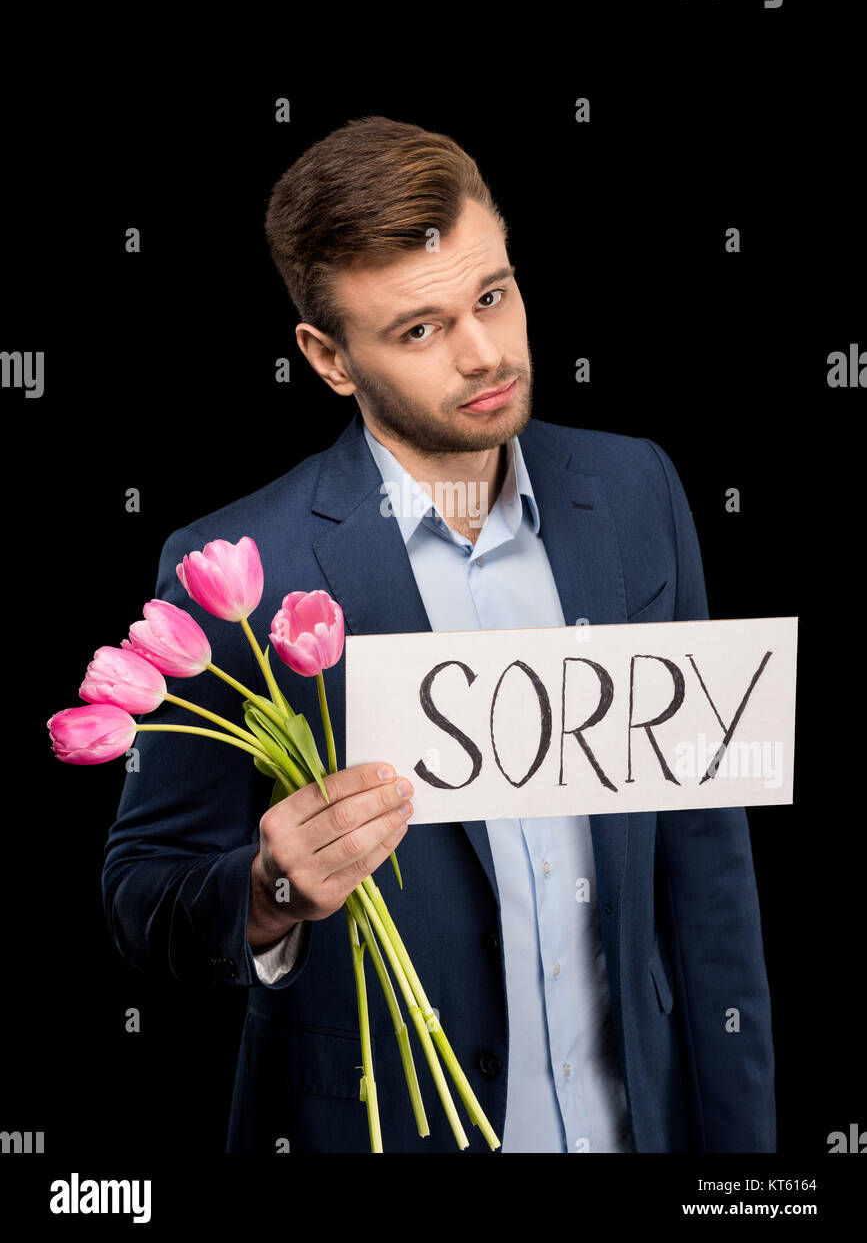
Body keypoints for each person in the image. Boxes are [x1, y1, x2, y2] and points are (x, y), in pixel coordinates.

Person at [102, 115, 776, 1153]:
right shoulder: (234, 570)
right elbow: (141, 894)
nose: (484, 355)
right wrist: (269, 888)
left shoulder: (640, 491)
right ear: (328, 358)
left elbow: (708, 864)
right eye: (418, 330)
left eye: (493, 296)